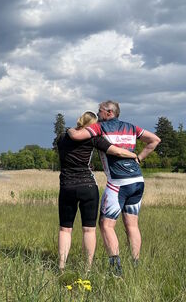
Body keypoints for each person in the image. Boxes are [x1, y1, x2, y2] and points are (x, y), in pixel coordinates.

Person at [68, 100, 160, 276]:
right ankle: (135, 265)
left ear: (109, 113)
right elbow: (155, 140)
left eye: (100, 111)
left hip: (118, 183)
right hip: (137, 181)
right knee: (132, 225)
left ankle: (115, 268)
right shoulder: (132, 127)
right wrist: (139, 157)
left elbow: (76, 136)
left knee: (106, 224)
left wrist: (70, 130)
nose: (98, 114)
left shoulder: (100, 127)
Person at [57, 111, 138, 272]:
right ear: (93, 125)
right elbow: (117, 151)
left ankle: (61, 267)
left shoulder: (62, 137)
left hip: (67, 186)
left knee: (65, 229)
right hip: (87, 186)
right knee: (89, 229)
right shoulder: (93, 137)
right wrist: (134, 155)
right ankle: (87, 269)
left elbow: (69, 138)